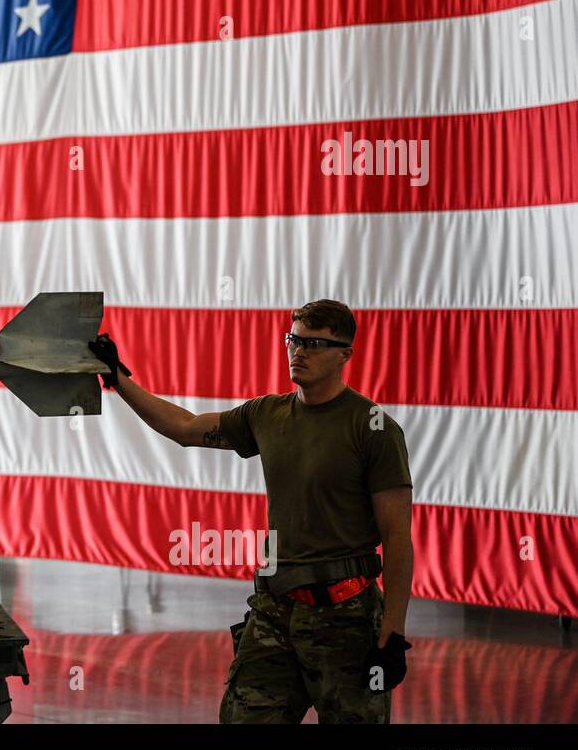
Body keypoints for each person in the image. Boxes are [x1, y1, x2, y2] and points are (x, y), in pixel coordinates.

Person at [90, 299, 414, 723]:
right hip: (275, 610)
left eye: (314, 343)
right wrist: (118, 379)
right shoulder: (267, 414)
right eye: (294, 340)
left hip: (346, 617)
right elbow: (185, 428)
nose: (299, 351)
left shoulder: (373, 428)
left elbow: (397, 537)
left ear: (344, 354)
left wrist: (392, 633)